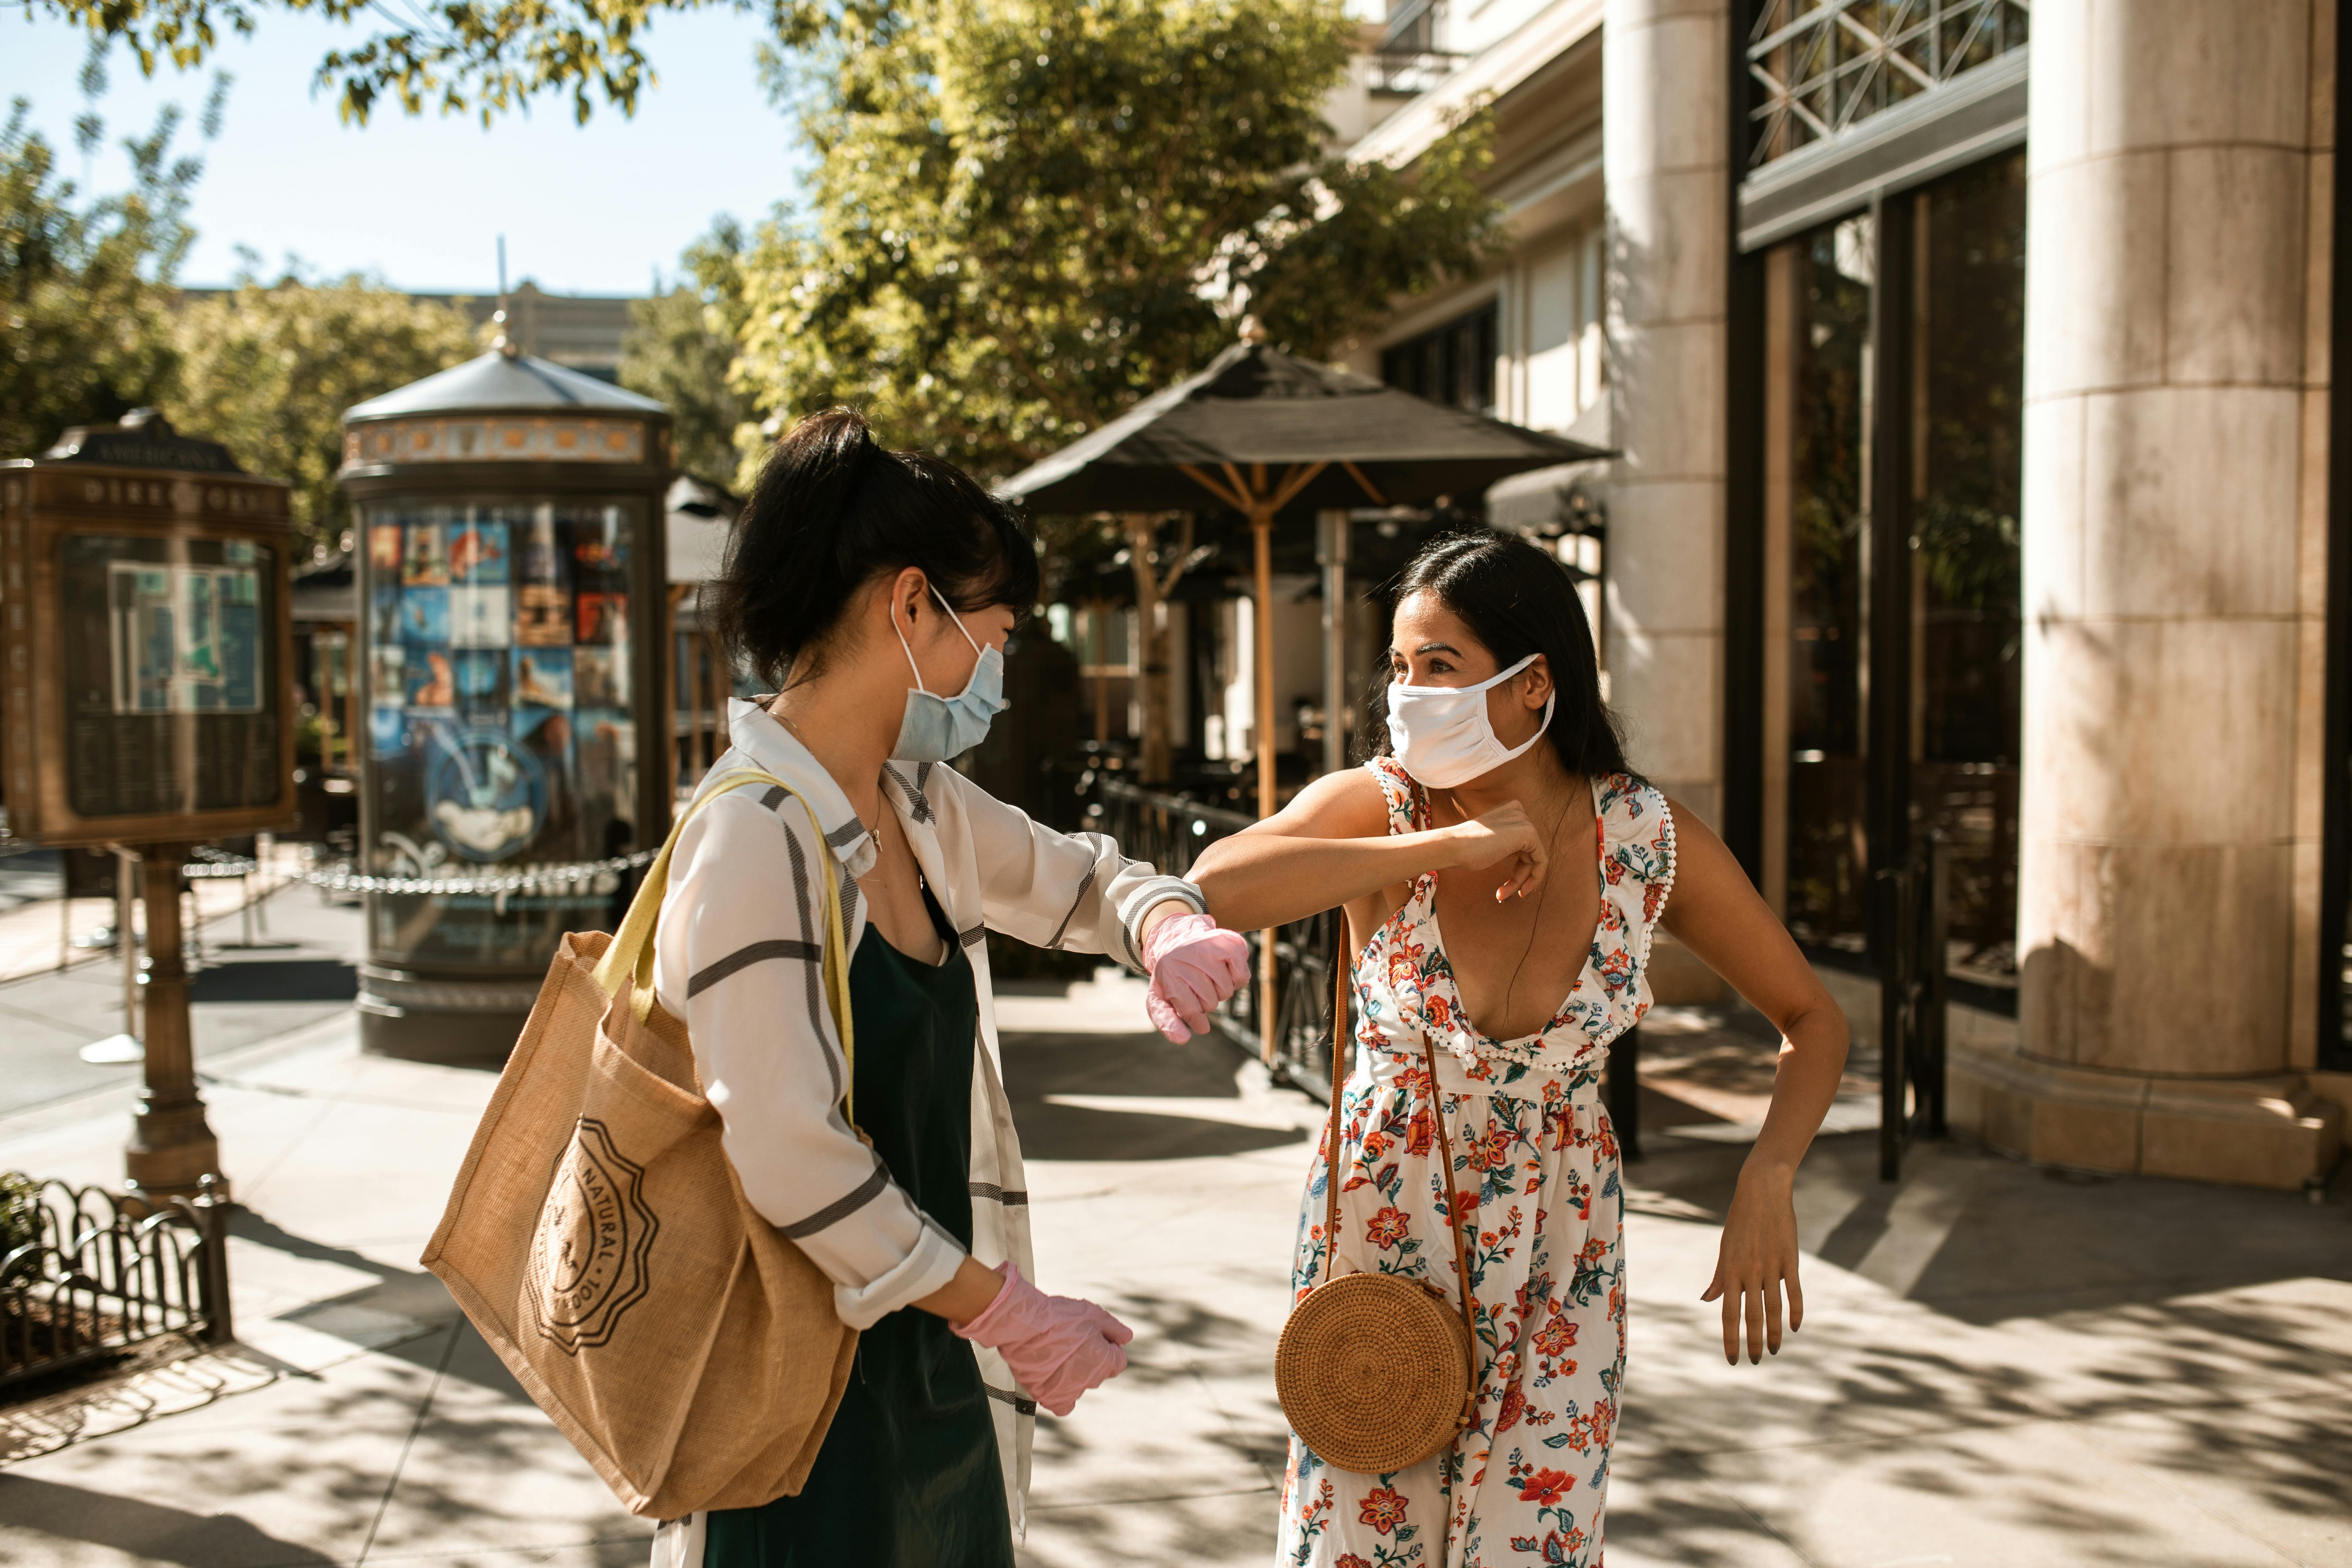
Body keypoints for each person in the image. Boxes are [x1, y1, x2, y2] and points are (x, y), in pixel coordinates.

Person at [647, 410, 1252, 1568]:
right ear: (912, 606)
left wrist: (1164, 925)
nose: (1005, 666)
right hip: (799, 1412)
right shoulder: (751, 840)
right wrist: (1006, 1311)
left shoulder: (918, 801)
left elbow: (1083, 883)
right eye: (1002, 629)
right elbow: (788, 1154)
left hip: (931, 1372)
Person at [1187, 531, 1848, 1567]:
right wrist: (1448, 845)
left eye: (1438, 666)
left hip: (1561, 1249)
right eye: (1399, 668)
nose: (1407, 695)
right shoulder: (1384, 804)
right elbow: (1213, 886)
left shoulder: (1641, 837)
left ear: (1534, 684)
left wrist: (1768, 1174)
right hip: (1384, 1233)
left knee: (1530, 1541)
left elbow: (1813, 1019)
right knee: (1361, 1539)